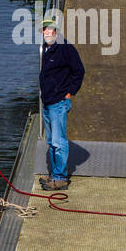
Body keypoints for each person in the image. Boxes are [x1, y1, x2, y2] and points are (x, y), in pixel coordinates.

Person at [39, 13, 85, 191]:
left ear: (56, 31)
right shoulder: (47, 47)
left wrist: (69, 93)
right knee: (51, 142)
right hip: (48, 102)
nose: (46, 32)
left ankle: (60, 177)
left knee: (59, 142)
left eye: (49, 28)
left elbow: (79, 71)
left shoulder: (66, 48)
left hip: (58, 102)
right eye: (44, 29)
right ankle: (54, 174)